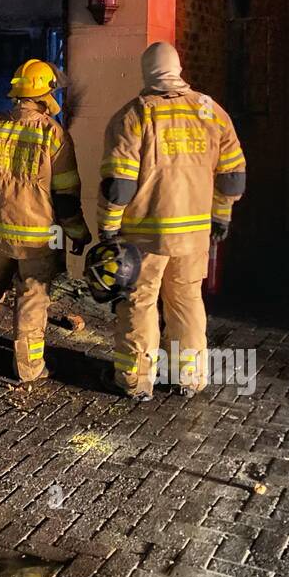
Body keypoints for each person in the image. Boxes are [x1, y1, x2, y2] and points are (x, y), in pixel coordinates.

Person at [97, 42, 246, 401]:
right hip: (194, 235)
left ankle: (136, 381)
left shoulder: (135, 116)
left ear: (146, 71)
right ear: (178, 69)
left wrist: (108, 227)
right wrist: (221, 215)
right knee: (186, 301)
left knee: (140, 302)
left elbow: (118, 186)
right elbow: (233, 177)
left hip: (145, 237)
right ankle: (190, 378)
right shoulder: (211, 112)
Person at [0, 59, 90, 383]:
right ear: (45, 93)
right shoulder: (54, 135)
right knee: (32, 297)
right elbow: (65, 195)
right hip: (36, 240)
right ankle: (29, 367)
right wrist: (77, 232)